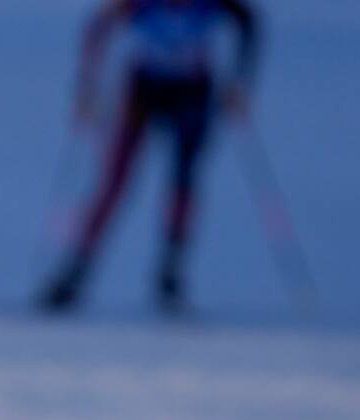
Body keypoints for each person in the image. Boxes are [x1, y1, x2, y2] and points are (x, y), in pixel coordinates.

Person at [39, 0, 261, 313]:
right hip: (144, 90)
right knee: (114, 183)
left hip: (192, 92)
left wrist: (240, 82)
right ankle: (74, 275)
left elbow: (249, 23)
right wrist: (87, 86)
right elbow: (99, 26)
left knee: (183, 183)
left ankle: (170, 280)